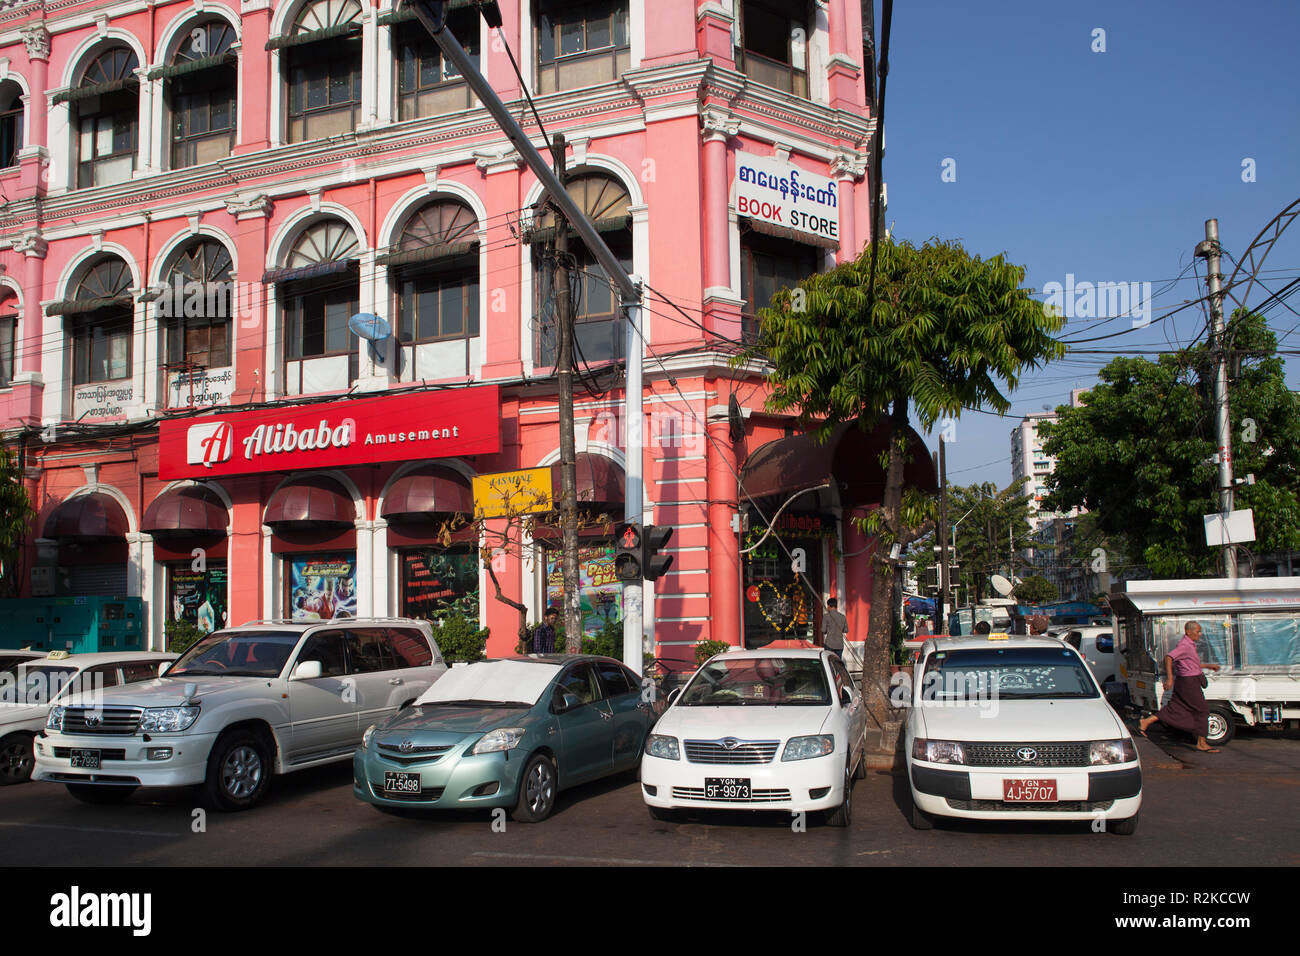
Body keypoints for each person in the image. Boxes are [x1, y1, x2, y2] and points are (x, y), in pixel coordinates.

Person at [1138, 621, 1222, 752]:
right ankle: (1201, 742)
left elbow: (1190, 663)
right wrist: (1170, 679)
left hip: (1187, 681)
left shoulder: (1190, 645)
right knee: (1202, 710)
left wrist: (1208, 666)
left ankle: (1146, 722)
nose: (1200, 634)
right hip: (1188, 683)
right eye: (1198, 631)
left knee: (1176, 706)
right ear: (1188, 632)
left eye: (1200, 631)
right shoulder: (1185, 645)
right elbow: (1168, 657)